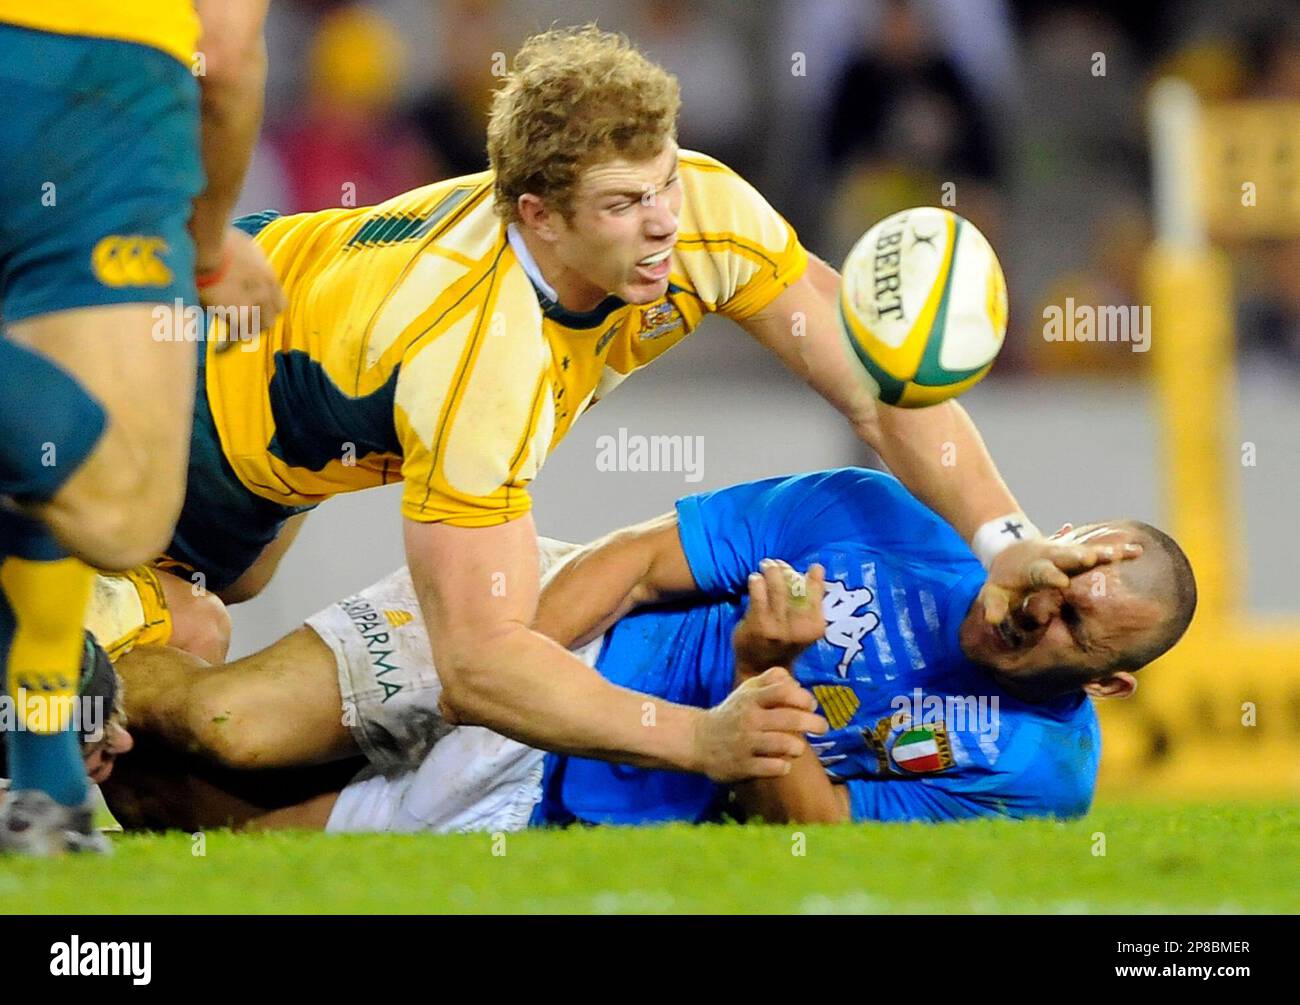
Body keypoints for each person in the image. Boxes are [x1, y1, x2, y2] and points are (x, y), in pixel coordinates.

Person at [94, 24, 1088, 792]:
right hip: (158, 418)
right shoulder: (476, 356)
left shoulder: (703, 215)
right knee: (208, 675)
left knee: (234, 600)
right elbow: (480, 664)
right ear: (537, 215)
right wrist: (696, 740)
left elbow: (879, 392)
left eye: (661, 184)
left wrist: (1004, 540)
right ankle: (48, 677)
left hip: (271, 419)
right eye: (622, 206)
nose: (663, 226)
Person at [96, 467, 1193, 833]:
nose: (1043, 603)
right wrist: (501, 672)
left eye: (1076, 623)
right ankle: (75, 654)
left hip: (575, 799)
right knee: (223, 724)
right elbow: (630, 560)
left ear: (1106, 681)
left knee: (194, 827)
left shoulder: (1045, 777)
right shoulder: (878, 511)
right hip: (551, 630)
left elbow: (821, 838)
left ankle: (59, 747)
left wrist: (766, 675)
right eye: (1063, 567)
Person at [0, 0, 281, 854]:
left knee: (41, 464)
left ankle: (43, 792)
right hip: (95, 87)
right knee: (117, 504)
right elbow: (226, 50)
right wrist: (209, 252)